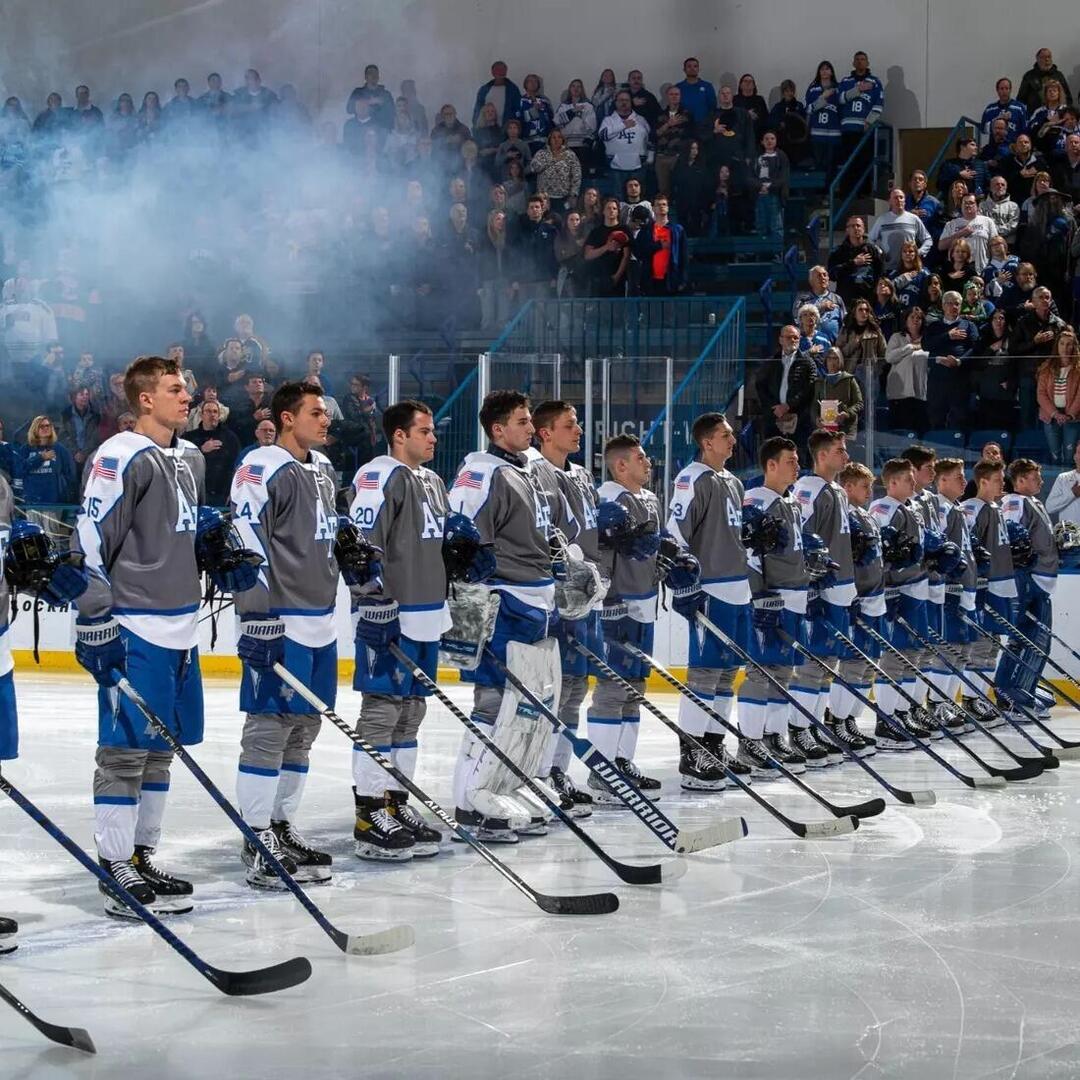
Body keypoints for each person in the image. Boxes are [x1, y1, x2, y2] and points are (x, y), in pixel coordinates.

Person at [71, 356, 205, 917]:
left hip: (181, 626)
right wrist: (96, 618)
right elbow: (90, 541)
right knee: (125, 751)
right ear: (145, 399)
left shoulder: (187, 458)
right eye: (175, 390)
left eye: (186, 389)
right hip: (136, 625)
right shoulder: (120, 454)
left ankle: (143, 856)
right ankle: (116, 865)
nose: (187, 398)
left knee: (159, 752)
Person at [230, 380, 339, 887]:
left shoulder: (323, 468)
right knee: (269, 729)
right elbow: (245, 540)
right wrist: (256, 614)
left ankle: (281, 824)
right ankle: (255, 838)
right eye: (316, 413)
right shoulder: (261, 465)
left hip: (321, 618)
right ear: (288, 418)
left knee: (303, 730)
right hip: (281, 619)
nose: (326, 420)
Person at [448, 390, 559, 841]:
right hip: (503, 601)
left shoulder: (528, 468)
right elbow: (460, 537)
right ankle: (468, 800)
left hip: (537, 601)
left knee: (524, 708)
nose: (531, 428)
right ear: (497, 429)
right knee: (493, 703)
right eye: (521, 421)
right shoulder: (481, 471)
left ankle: (502, 790)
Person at [348, 400, 451, 860]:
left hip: (429, 614)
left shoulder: (431, 480)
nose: (432, 438)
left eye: (432, 431)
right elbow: (360, 546)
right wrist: (371, 602)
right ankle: (370, 811)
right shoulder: (378, 475)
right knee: (382, 711)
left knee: (411, 713)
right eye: (424, 431)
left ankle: (396, 799)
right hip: (391, 615)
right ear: (399, 436)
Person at [665, 412, 754, 789]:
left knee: (725, 675)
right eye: (725, 435)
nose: (732, 440)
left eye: (732, 434)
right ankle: (692, 752)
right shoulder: (692, 479)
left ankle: (714, 744)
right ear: (706, 442)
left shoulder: (732, 481)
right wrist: (685, 584)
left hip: (739, 590)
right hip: (712, 590)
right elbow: (674, 535)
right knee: (703, 675)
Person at [528, 401, 603, 808]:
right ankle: (539, 772)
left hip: (585, 599)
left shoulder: (583, 475)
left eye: (577, 423)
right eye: (569, 425)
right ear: (545, 433)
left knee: (575, 688)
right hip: (554, 602)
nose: (578, 430)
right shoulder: (536, 473)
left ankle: (557, 769)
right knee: (553, 691)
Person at [588, 434, 664, 800]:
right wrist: (608, 599)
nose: (648, 463)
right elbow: (598, 555)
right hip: (617, 606)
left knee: (636, 687)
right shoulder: (605, 498)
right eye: (640, 458)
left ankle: (622, 761)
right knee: (612, 687)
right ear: (620, 466)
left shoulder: (648, 498)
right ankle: (602, 771)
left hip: (644, 603)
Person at [737, 437, 814, 773]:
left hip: (795, 596)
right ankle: (749, 742)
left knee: (783, 672)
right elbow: (748, 553)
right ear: (771, 465)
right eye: (790, 460)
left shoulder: (791, 502)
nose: (797, 466)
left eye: (797, 460)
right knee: (761, 670)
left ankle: (774, 736)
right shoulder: (755, 501)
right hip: (772, 597)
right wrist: (759, 594)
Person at [792, 429, 860, 765]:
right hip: (822, 589)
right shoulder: (807, 488)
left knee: (828, 664)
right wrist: (812, 587)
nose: (846, 456)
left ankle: (814, 726)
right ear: (821, 455)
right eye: (839, 450)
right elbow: (801, 538)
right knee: (813, 663)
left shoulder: (836, 489)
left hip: (842, 587)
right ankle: (798, 728)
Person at [868, 458, 931, 747]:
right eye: (908, 479)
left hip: (916, 587)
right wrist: (889, 588)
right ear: (891, 482)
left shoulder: (910, 507)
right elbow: (880, 554)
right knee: (895, 657)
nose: (914, 483)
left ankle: (902, 712)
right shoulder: (883, 509)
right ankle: (886, 719)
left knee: (912, 655)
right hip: (898, 591)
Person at [998, 459, 1059, 718]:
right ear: (1020, 480)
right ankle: (1009, 695)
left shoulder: (1032, 501)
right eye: (1035, 478)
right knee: (1023, 640)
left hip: (1039, 580)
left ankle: (1025, 688)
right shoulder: (1015, 502)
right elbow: (1013, 538)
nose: (1041, 481)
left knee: (1037, 642)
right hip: (1027, 580)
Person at [959, 459, 1017, 720]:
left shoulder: (996, 507)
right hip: (985, 586)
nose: (1003, 483)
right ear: (982, 481)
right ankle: (971, 699)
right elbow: (967, 548)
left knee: (993, 645)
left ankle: (980, 696)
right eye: (997, 479)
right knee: (981, 645)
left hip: (1002, 584)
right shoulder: (972, 508)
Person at [833, 461, 884, 754]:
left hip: (876, 598)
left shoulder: (866, 517)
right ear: (848, 486)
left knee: (868, 666)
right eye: (864, 486)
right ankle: (837, 721)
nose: (868, 492)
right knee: (853, 664)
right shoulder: (845, 518)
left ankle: (850, 720)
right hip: (858, 598)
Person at [927, 457, 980, 732]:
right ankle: (937, 703)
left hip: (963, 587)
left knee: (961, 649)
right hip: (949, 590)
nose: (964, 481)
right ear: (942, 480)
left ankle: (947, 700)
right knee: (947, 650)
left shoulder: (955, 508)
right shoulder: (940, 508)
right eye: (958, 476)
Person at [1010, 286, 1067, 428]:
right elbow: (1013, 349)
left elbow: (1066, 349)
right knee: (1027, 414)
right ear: (1033, 302)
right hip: (1029, 374)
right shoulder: (1023, 322)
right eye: (1040, 297)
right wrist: (1034, 342)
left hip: (1051, 375)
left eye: (1047, 297)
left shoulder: (1059, 324)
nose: (1044, 300)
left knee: (1050, 414)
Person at [924, 291, 979, 429]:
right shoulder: (934, 327)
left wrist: (959, 361)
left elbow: (976, 349)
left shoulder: (969, 325)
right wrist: (947, 335)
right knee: (936, 417)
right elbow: (926, 345)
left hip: (959, 379)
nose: (954, 306)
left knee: (959, 419)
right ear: (943, 306)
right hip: (937, 380)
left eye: (957, 304)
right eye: (950, 303)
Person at [756, 324, 816, 446]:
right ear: (780, 340)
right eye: (789, 337)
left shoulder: (807, 362)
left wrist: (789, 405)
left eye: (796, 338)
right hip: (775, 417)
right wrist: (775, 407)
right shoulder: (771, 361)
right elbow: (760, 385)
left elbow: (809, 388)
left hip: (799, 418)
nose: (793, 340)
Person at [1037, 328, 1080, 465]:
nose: (1065, 348)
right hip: (1050, 417)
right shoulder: (1046, 368)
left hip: (1072, 418)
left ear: (1074, 346)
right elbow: (1041, 394)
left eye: (1069, 344)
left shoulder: (1078, 370)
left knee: (1070, 456)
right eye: (1062, 343)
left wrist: (1069, 415)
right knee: (1054, 455)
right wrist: (1055, 414)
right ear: (1057, 346)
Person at [186, 398, 240, 506]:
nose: (212, 415)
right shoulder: (189, 437)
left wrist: (234, 491)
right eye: (209, 411)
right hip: (196, 492)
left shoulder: (230, 437)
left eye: (215, 412)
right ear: (201, 415)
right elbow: (182, 462)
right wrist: (201, 450)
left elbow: (237, 466)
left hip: (223, 493)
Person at [885, 307, 929, 433]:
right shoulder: (897, 337)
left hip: (921, 393)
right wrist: (910, 347)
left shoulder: (928, 339)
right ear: (905, 320)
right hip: (900, 393)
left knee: (919, 428)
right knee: (901, 430)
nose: (915, 320)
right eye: (912, 317)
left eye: (919, 318)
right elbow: (889, 357)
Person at [632, 195, 687, 295]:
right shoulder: (646, 231)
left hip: (671, 279)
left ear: (668, 208)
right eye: (658, 205)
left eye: (664, 204)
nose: (661, 207)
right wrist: (658, 246)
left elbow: (683, 256)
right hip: (650, 280)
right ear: (653, 208)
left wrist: (682, 279)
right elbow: (638, 252)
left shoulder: (678, 230)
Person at [869, 188, 932, 274]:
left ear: (905, 201)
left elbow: (928, 239)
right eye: (895, 198)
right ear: (890, 202)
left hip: (910, 268)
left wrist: (919, 252)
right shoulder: (882, 219)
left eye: (901, 197)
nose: (898, 200)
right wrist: (878, 251)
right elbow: (870, 239)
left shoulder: (913, 219)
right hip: (889, 268)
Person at [972, 308, 1015, 429]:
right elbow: (978, 364)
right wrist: (991, 349)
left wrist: (1012, 381)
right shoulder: (983, 340)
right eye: (995, 318)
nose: (998, 321)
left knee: (1004, 423)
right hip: (987, 388)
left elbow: (1016, 364)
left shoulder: (1013, 340)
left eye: (1001, 318)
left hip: (1004, 390)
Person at [20, 415, 76, 508]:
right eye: (41, 426)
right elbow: (20, 469)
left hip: (54, 502)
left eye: (48, 426)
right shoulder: (26, 449)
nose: (45, 428)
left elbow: (70, 473)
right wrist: (41, 458)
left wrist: (67, 495)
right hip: (31, 502)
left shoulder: (59, 449)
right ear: (35, 429)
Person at [827, 215, 884, 306]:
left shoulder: (872, 250)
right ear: (847, 230)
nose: (856, 228)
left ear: (864, 229)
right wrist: (853, 263)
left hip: (868, 301)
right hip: (846, 301)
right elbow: (832, 275)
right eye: (852, 226)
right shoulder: (838, 252)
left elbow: (880, 274)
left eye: (858, 225)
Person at [598, 90, 649, 188]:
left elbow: (649, 139)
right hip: (616, 164)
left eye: (626, 100)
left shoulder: (640, 120)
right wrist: (623, 125)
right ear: (616, 102)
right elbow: (603, 136)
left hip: (637, 164)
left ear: (631, 102)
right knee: (617, 196)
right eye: (621, 100)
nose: (624, 102)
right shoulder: (608, 120)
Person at [939, 193, 999, 272]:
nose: (968, 205)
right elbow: (941, 246)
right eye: (965, 203)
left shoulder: (987, 221)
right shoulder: (952, 224)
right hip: (959, 271)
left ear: (977, 206)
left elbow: (996, 244)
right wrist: (961, 233)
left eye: (971, 203)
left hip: (983, 268)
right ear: (961, 206)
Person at [584, 197, 631, 297]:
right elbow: (587, 255)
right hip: (598, 277)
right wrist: (606, 247)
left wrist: (616, 277)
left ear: (618, 212)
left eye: (614, 208)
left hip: (619, 279)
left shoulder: (624, 229)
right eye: (609, 208)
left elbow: (626, 256)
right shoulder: (596, 232)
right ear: (603, 211)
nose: (611, 211)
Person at [814, 346, 863, 436]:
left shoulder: (849, 379)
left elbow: (859, 403)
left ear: (840, 360)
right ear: (826, 360)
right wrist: (816, 419)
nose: (832, 362)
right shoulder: (820, 382)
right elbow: (814, 406)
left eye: (835, 358)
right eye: (830, 358)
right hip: (825, 429)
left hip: (846, 429)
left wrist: (847, 414)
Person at [528, 129, 581, 211]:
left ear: (563, 139)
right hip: (544, 197)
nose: (556, 140)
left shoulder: (570, 155)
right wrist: (553, 160)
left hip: (563, 197)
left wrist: (573, 194)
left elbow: (577, 175)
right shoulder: (541, 153)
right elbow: (534, 168)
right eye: (554, 137)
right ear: (549, 139)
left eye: (559, 137)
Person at [653, 86, 693, 196]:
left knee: (682, 189)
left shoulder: (687, 115)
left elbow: (692, 135)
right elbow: (654, 134)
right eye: (672, 94)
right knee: (663, 190)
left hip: (680, 156)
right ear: (667, 97)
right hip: (662, 157)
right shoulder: (659, 114)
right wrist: (668, 125)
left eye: (677, 94)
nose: (674, 97)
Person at [806, 60, 842, 177]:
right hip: (817, 132)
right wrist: (823, 98)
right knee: (817, 164)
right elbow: (809, 109)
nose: (825, 71)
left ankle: (828, 192)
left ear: (831, 72)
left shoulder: (838, 89)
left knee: (831, 165)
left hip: (834, 133)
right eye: (822, 69)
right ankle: (817, 192)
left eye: (827, 68)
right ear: (819, 72)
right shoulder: (813, 89)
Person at [792, 265, 845, 341]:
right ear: (811, 281)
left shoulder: (837, 299)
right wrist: (820, 307)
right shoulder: (802, 299)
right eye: (819, 276)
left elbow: (844, 323)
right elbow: (796, 318)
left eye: (825, 275)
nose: (823, 278)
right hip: (809, 346)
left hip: (833, 346)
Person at [754, 130, 789, 243]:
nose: (769, 141)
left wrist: (769, 187)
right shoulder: (756, 156)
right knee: (761, 226)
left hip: (775, 195)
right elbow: (750, 176)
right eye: (767, 139)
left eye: (772, 138)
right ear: (762, 142)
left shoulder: (781, 156)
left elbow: (783, 177)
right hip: (759, 195)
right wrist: (760, 186)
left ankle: (777, 255)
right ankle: (761, 255)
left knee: (776, 226)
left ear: (776, 141)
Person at [836, 298, 886, 376]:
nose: (864, 312)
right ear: (854, 313)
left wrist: (878, 370)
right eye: (860, 310)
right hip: (851, 371)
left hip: (870, 373)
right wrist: (853, 344)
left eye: (866, 310)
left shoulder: (875, 330)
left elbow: (883, 352)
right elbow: (839, 353)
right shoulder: (846, 330)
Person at [59, 385, 102, 474]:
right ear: (74, 397)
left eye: (87, 394)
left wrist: (84, 453)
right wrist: (75, 452)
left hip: (90, 456)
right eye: (81, 394)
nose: (85, 397)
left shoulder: (95, 414)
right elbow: (63, 435)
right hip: (71, 456)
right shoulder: (66, 414)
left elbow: (96, 436)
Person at [1017, 48, 1073, 115]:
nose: (1047, 60)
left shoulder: (1058, 75)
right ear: (1037, 59)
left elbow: (1068, 98)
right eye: (1043, 57)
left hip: (1057, 116)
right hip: (1034, 116)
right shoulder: (1029, 76)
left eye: (1049, 57)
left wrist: (1065, 113)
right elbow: (1020, 99)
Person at [472, 61, 521, 127]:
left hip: (506, 129)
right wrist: (475, 124)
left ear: (506, 72)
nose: (500, 72)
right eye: (498, 70)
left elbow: (518, 109)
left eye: (503, 70)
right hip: (486, 130)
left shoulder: (513, 89)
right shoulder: (484, 90)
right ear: (492, 72)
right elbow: (478, 108)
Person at [346, 65, 394, 130]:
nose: (373, 76)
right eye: (370, 73)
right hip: (361, 128)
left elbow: (392, 111)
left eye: (376, 73)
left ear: (378, 77)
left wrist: (382, 102)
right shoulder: (358, 92)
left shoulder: (385, 94)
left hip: (381, 128)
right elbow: (349, 109)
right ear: (365, 77)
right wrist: (368, 102)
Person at [516, 74, 554, 155]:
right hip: (527, 141)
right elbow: (519, 120)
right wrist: (533, 111)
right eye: (530, 81)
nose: (533, 83)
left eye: (535, 81)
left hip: (544, 142)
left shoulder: (545, 101)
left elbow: (551, 120)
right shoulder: (520, 101)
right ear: (525, 84)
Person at [675, 57, 717, 127]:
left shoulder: (707, 86)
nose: (692, 68)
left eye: (695, 66)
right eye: (689, 66)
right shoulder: (678, 87)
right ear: (684, 70)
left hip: (704, 126)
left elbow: (712, 106)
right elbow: (674, 106)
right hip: (683, 126)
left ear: (698, 69)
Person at [1045, 441, 1080, 525]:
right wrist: (1072, 494)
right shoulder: (1063, 478)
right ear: (1075, 456)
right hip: (1070, 535)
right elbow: (1050, 507)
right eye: (1079, 452)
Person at [891, 240, 931, 311]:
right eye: (904, 251)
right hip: (897, 312)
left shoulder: (924, 273)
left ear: (916, 253)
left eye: (910, 251)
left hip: (916, 313)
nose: (907, 253)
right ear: (901, 254)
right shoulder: (894, 274)